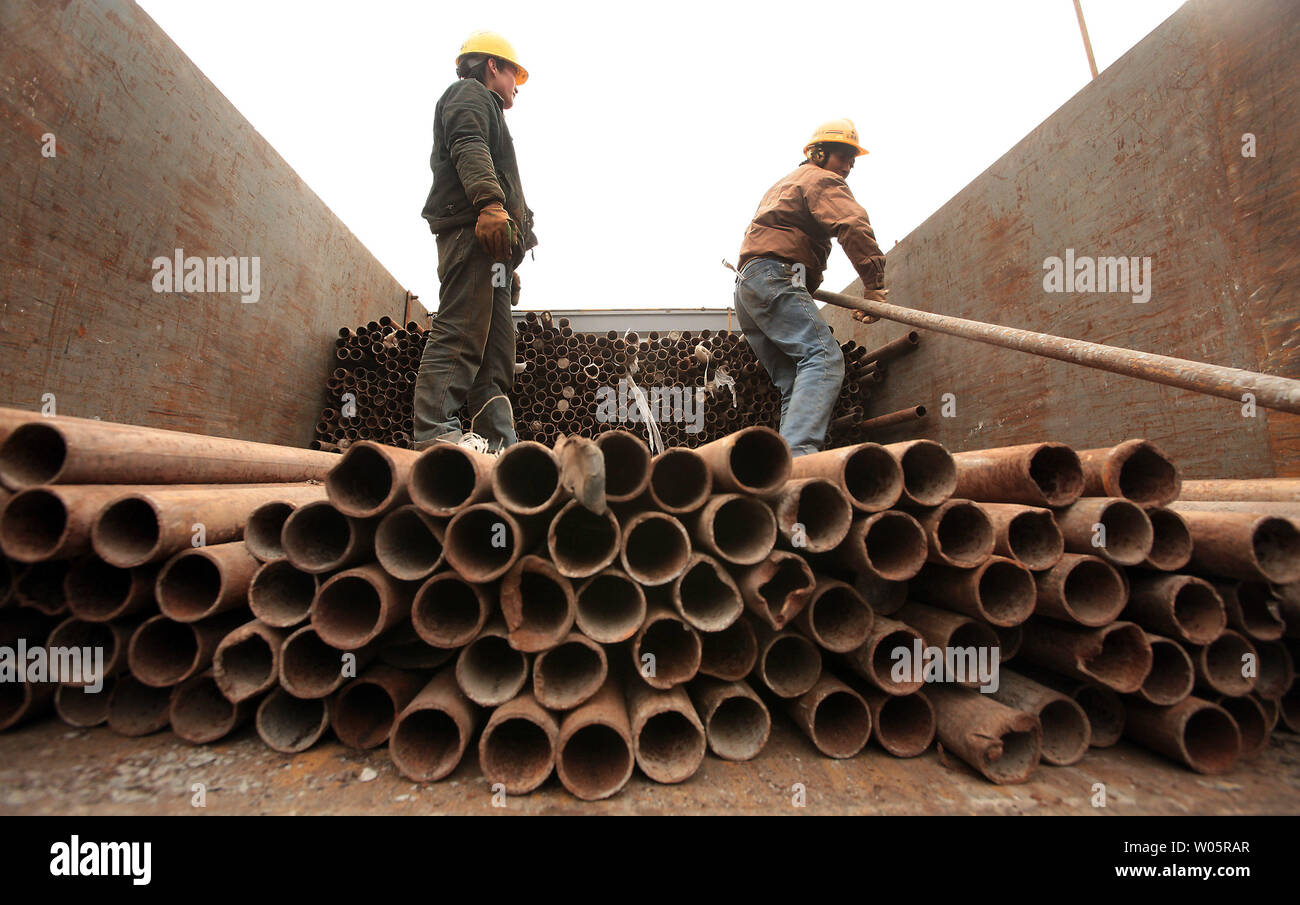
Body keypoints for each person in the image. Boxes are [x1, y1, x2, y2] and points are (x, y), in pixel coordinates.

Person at [413, 31, 537, 452]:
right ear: (491, 66)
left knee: (496, 354)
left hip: (496, 250)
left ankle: (498, 445)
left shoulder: (492, 113)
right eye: (512, 73)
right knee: (462, 331)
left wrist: (511, 264)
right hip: (472, 231)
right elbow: (468, 145)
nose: (516, 84)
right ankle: (434, 438)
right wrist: (488, 205)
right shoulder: (468, 94)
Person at [733, 119, 888, 457]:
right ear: (818, 154)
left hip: (749, 288)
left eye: (852, 160)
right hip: (774, 276)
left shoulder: (784, 184)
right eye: (842, 156)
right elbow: (851, 225)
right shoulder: (821, 179)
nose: (847, 167)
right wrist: (873, 285)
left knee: (792, 380)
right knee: (823, 356)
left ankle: (782, 465)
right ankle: (800, 459)